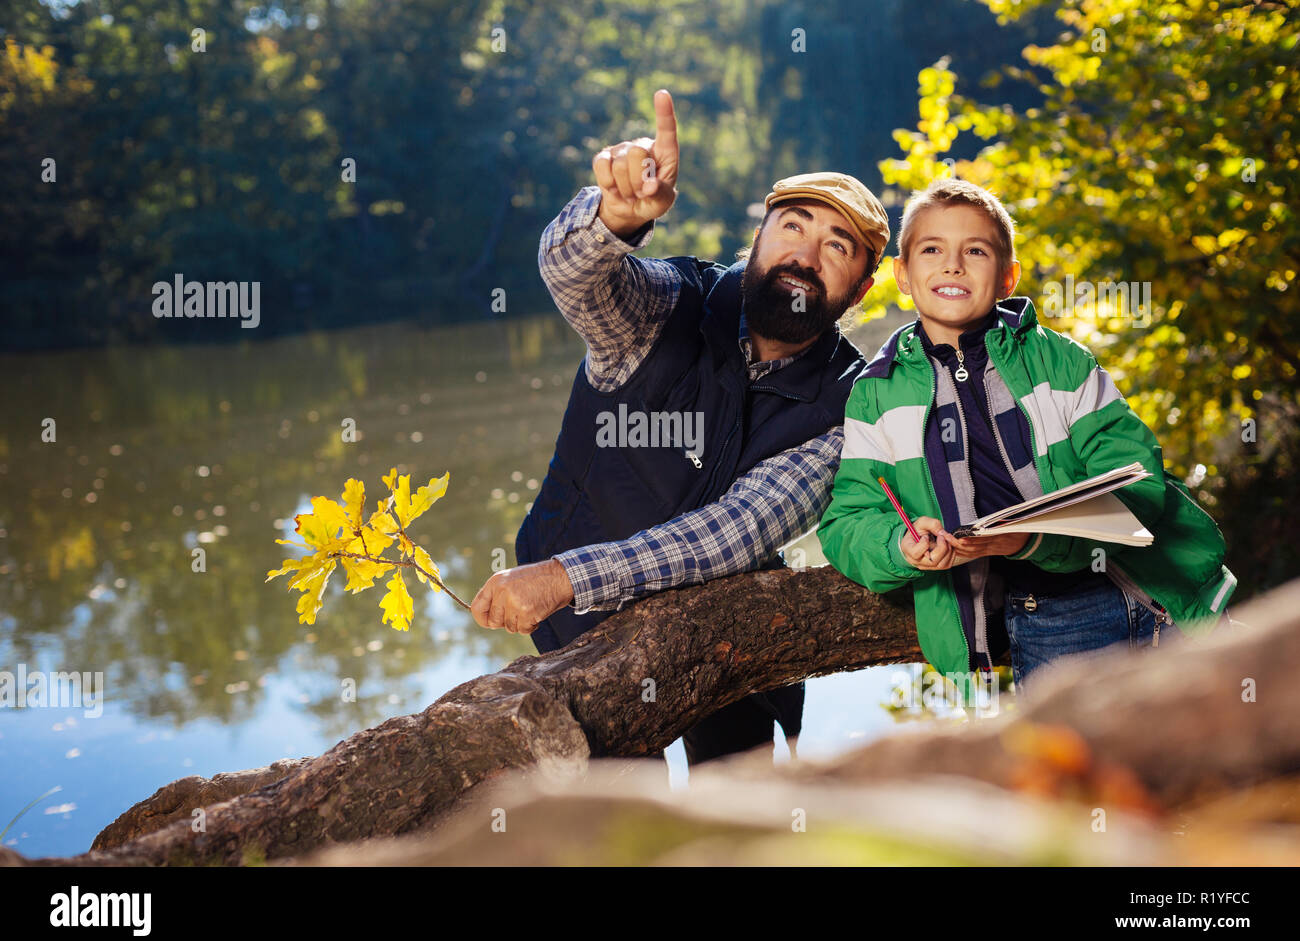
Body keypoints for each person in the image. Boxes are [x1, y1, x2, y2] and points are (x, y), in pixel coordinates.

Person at [470, 89, 890, 765]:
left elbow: (733, 535)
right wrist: (614, 220)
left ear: (861, 289)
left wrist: (562, 576)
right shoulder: (668, 304)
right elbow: (575, 278)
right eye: (792, 227)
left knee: (735, 814)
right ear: (757, 238)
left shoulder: (852, 405)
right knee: (625, 814)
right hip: (585, 629)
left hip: (725, 638)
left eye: (836, 246)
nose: (806, 255)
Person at [817, 178, 1237, 697]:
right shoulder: (876, 394)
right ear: (902, 275)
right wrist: (898, 546)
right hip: (1048, 617)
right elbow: (846, 522)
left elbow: (1137, 476)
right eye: (932, 250)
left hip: (1149, 588)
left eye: (976, 250)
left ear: (1008, 277)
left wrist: (1036, 536)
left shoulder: (1060, 361)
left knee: (1227, 749)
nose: (953, 265)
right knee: (1081, 766)